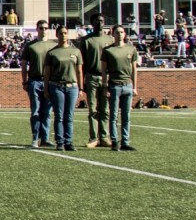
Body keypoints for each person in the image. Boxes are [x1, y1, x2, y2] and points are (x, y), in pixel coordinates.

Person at [44, 25, 84, 152]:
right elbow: (47, 73)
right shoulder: (52, 52)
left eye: (65, 33)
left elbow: (79, 71)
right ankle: (60, 141)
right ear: (57, 35)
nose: (63, 35)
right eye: (60, 33)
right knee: (59, 116)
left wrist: (81, 88)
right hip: (57, 86)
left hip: (72, 87)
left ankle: (69, 141)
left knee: (69, 116)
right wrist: (46, 89)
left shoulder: (76, 51)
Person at [76, 13, 113, 148]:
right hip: (91, 76)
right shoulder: (86, 41)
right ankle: (93, 137)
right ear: (92, 23)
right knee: (92, 109)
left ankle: (104, 136)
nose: (100, 23)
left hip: (106, 78)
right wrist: (83, 81)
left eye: (102, 21)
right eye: (97, 21)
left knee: (106, 109)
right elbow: (82, 63)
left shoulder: (110, 40)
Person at [102, 24, 139, 151]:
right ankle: (114, 141)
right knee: (113, 116)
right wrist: (105, 87)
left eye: (122, 32)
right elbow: (104, 70)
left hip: (127, 85)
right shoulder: (108, 50)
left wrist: (135, 86)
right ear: (113, 34)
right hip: (114, 86)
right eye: (117, 32)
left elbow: (134, 69)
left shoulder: (131, 49)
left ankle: (125, 141)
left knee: (126, 116)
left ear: (125, 34)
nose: (119, 34)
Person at [21, 20, 56, 148]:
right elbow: (24, 64)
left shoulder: (54, 45)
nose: (44, 30)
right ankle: (35, 138)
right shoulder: (30, 46)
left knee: (47, 112)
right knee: (35, 111)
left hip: (50, 81)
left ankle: (45, 138)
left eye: (46, 28)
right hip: (35, 80)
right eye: (41, 28)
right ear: (37, 29)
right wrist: (24, 80)